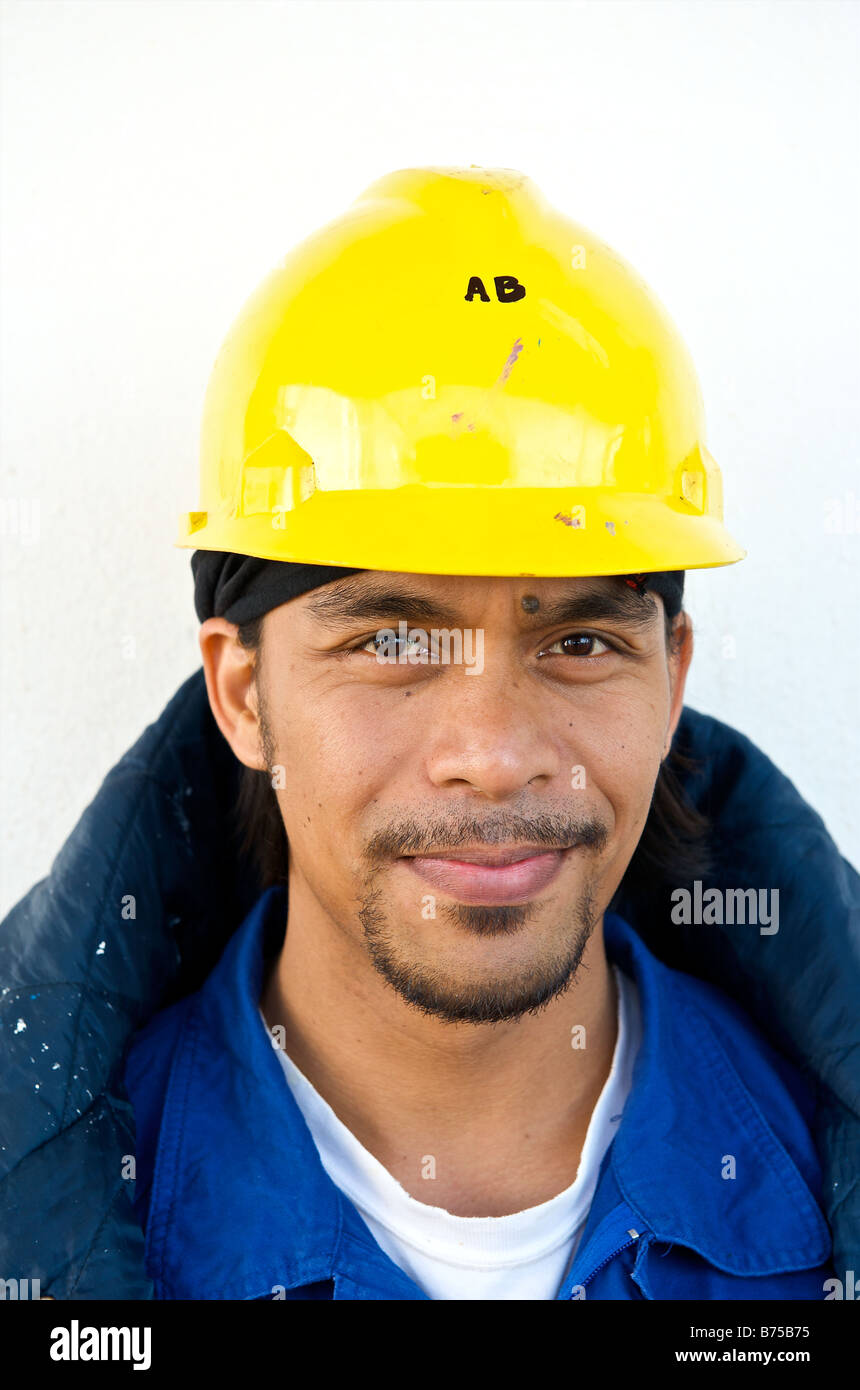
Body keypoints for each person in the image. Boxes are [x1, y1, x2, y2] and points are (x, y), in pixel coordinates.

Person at [1, 167, 856, 1301]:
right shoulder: (61, 1224)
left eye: (580, 642)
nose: (494, 753)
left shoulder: (814, 1177)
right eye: (393, 642)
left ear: (669, 685)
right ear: (243, 696)